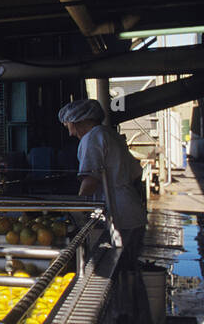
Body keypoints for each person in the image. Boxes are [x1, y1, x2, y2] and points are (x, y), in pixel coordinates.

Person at [58, 98, 147, 265]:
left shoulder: (92, 138)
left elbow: (90, 180)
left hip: (119, 216)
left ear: (79, 121)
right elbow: (136, 173)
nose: (70, 133)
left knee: (116, 267)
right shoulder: (108, 134)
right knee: (129, 269)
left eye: (68, 125)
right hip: (132, 212)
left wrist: (77, 208)